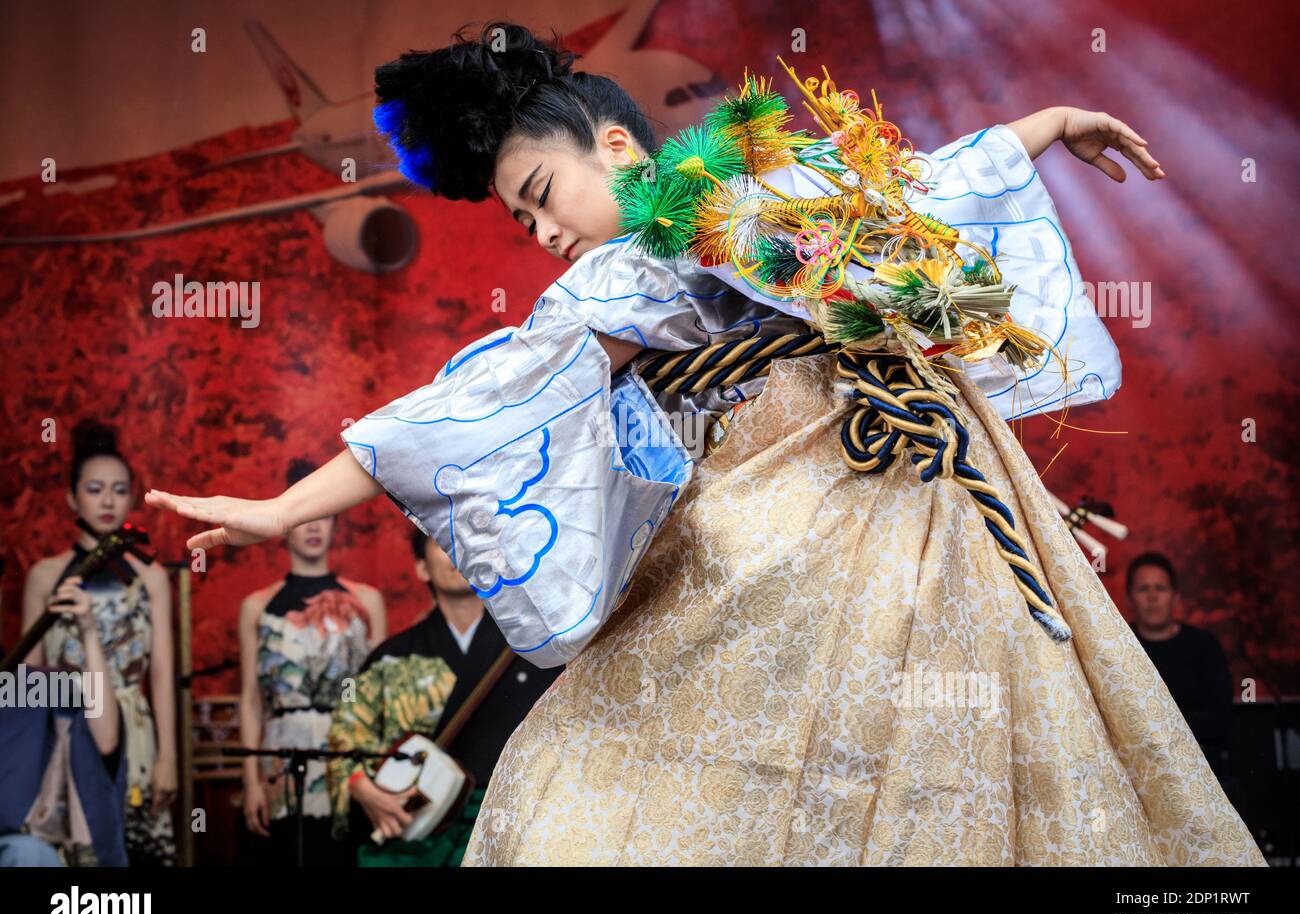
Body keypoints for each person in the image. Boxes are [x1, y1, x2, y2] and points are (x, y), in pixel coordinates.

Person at [147, 23, 1266, 865]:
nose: (541, 233)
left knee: (959, 782)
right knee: (601, 779)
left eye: (542, 194)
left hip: (913, 525)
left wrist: (1050, 128)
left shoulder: (763, 197)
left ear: (619, 144)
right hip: (760, 560)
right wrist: (283, 509)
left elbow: (911, 186)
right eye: (521, 222)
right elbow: (465, 406)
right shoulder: (613, 290)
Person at [327, 528, 559, 866]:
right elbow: (342, 732)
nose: (456, 549)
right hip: (419, 824)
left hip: (511, 818)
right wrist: (362, 788)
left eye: (465, 541)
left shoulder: (533, 647)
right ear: (421, 568)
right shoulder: (388, 658)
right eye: (441, 540)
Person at [22, 419, 176, 866]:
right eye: (94, 489)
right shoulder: (46, 576)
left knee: (135, 850)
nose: (107, 500)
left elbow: (163, 673)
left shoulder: (149, 576)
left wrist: (169, 755)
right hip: (67, 726)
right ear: (72, 497)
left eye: (119, 489)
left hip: (135, 724)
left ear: (131, 496)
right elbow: (30, 676)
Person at [235, 458, 386, 867]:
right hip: (280, 756)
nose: (315, 525)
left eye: (324, 514)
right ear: (283, 521)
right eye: (304, 515)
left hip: (349, 758)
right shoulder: (257, 607)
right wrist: (250, 780)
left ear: (336, 522)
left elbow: (378, 699)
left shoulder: (366, 602)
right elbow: (250, 700)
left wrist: (376, 776)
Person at [2, 574, 127, 867]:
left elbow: (106, 737)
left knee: (31, 855)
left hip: (18, 843)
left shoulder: (24, 685)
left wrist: (88, 632)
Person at [1126, 552, 1235, 779]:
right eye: (1143, 589)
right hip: (1136, 770)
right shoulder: (1117, 647)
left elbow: (1219, 721)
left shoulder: (1203, 645)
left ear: (1175, 597)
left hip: (1200, 767)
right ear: (1129, 598)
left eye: (1160, 588)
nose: (1152, 597)